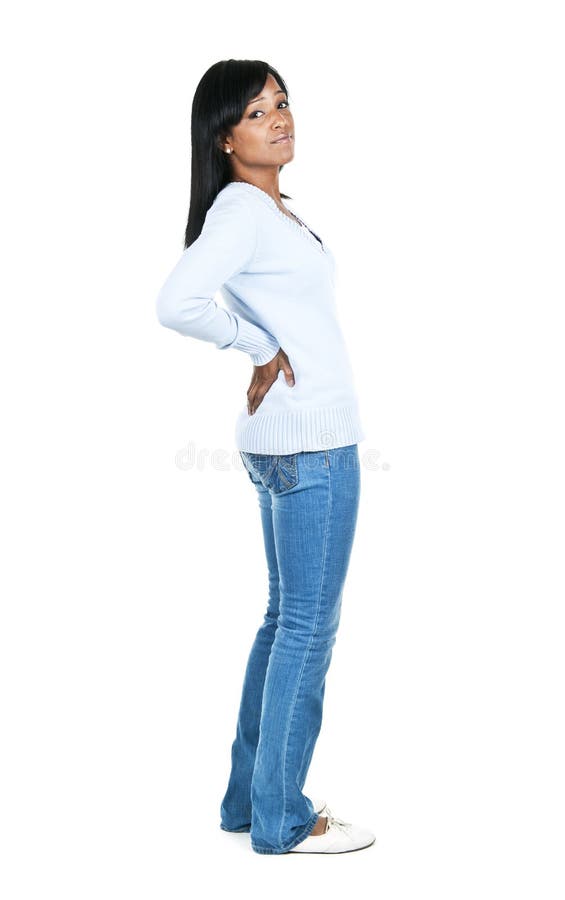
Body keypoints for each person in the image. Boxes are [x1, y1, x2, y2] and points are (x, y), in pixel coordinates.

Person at [155, 58, 376, 855]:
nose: (278, 118)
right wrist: (256, 345)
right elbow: (176, 301)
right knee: (306, 629)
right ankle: (282, 817)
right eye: (255, 112)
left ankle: (248, 801)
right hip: (310, 444)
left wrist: (264, 346)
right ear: (223, 137)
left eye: (281, 103)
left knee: (286, 620)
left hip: (289, 441)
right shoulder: (244, 211)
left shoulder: (266, 210)